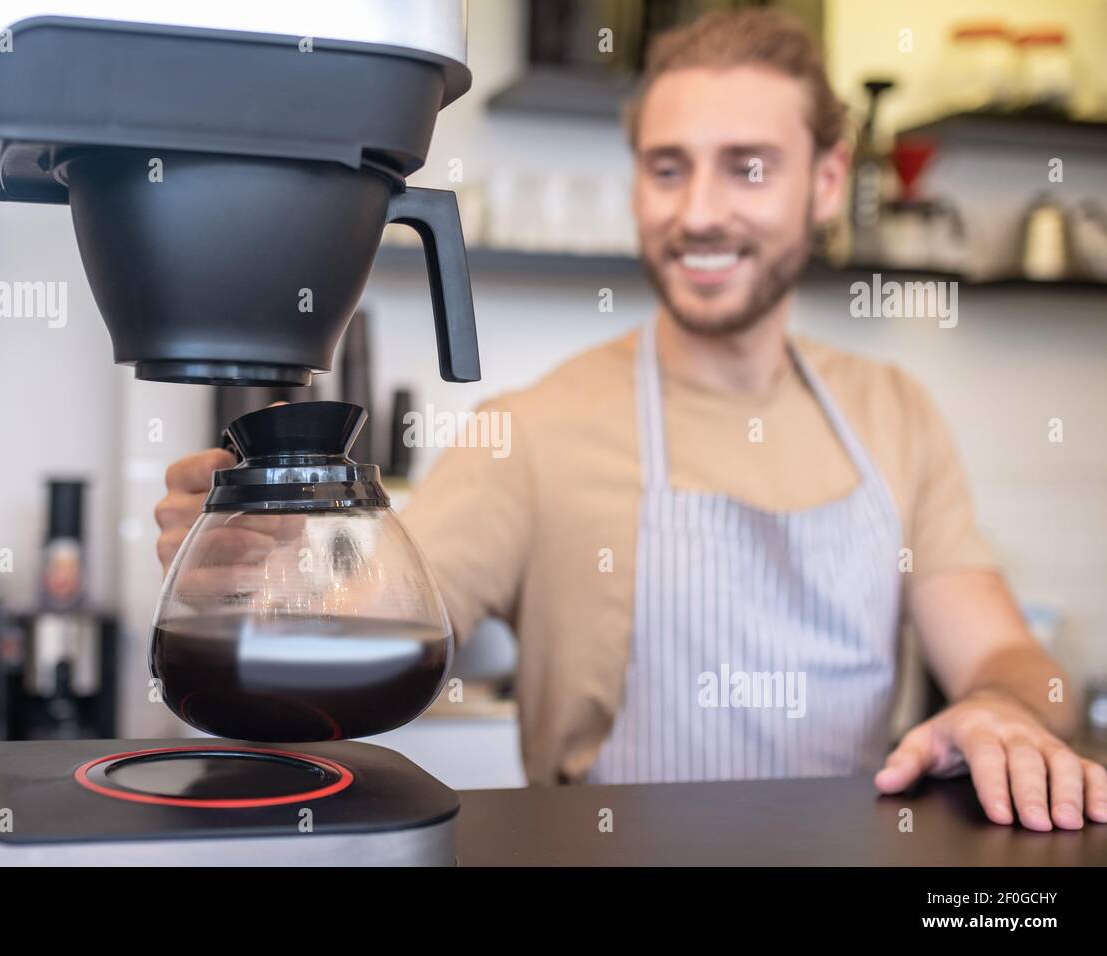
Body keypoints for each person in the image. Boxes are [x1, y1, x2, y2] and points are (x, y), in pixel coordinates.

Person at [154, 9, 1106, 830]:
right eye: (667, 168)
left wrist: (1007, 712)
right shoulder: (536, 427)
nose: (699, 212)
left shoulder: (895, 415)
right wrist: (263, 567)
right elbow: (373, 619)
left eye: (747, 168)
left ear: (824, 184)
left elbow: (1006, 656)